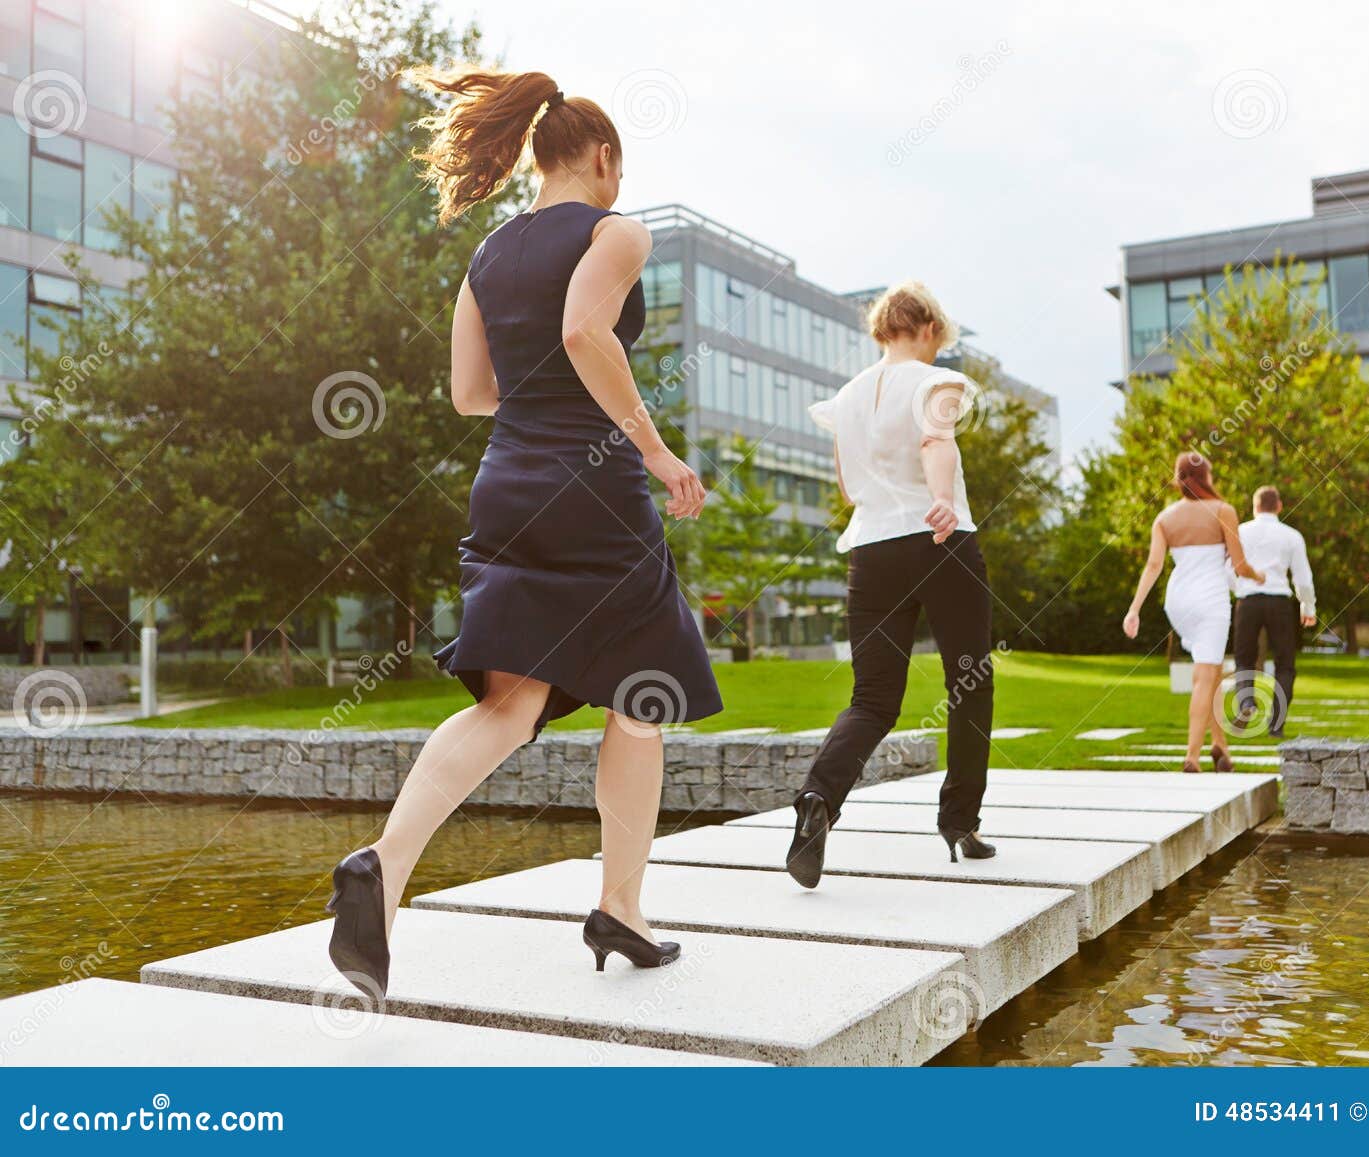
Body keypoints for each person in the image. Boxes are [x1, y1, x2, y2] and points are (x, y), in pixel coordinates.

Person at [325, 68, 722, 999]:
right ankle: (620, 904)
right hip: (593, 489)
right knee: (641, 695)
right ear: (602, 157)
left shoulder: (488, 255)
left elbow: (470, 393)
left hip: (506, 482)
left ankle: (383, 870)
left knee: (508, 705)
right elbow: (588, 332)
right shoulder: (617, 229)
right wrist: (660, 455)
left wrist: (541, 397)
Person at [786, 282, 996, 887]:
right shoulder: (936, 381)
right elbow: (937, 442)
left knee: (873, 697)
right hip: (939, 540)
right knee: (969, 681)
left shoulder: (847, 397)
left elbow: (849, 488)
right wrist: (937, 500)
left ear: (883, 329)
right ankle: (961, 822)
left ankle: (819, 800)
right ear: (929, 328)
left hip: (871, 550)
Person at [1123, 452, 1263, 773]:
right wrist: (1260, 576)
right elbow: (1240, 566)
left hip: (1179, 601)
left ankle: (1221, 748)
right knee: (1204, 675)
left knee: (1211, 672)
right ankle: (1191, 756)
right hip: (1210, 602)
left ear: (1177, 478)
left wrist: (1134, 610)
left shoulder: (1165, 518)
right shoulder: (1223, 510)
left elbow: (1154, 565)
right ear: (1207, 477)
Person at [1232, 485, 1316, 739]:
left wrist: (1239, 589)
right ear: (1279, 506)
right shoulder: (1291, 536)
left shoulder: (1239, 532)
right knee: (1285, 664)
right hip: (1279, 601)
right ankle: (1276, 725)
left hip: (1248, 600)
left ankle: (1246, 702)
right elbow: (1302, 577)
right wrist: (1307, 605)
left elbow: (1229, 567)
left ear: (1254, 506)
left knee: (1244, 658)